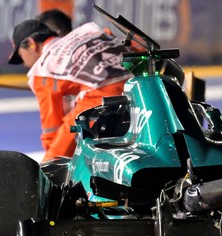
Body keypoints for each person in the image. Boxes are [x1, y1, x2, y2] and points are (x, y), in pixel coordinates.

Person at [8, 19, 131, 161]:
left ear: (31, 44)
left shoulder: (42, 70)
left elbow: (52, 128)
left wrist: (52, 160)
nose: (24, 64)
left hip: (102, 97)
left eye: (21, 56)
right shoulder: (88, 31)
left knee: (54, 159)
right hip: (137, 85)